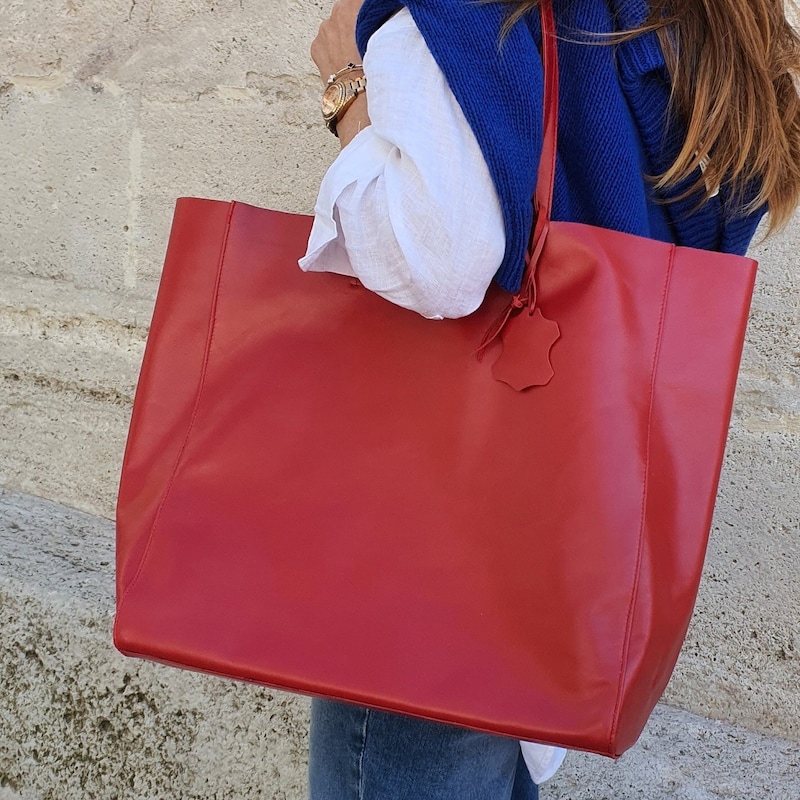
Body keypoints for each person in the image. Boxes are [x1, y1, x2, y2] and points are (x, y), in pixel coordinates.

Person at [303, 0, 800, 798]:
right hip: (568, 553)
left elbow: (438, 256)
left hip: (435, 567)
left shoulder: (471, 14)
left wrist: (347, 94)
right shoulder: (706, 25)